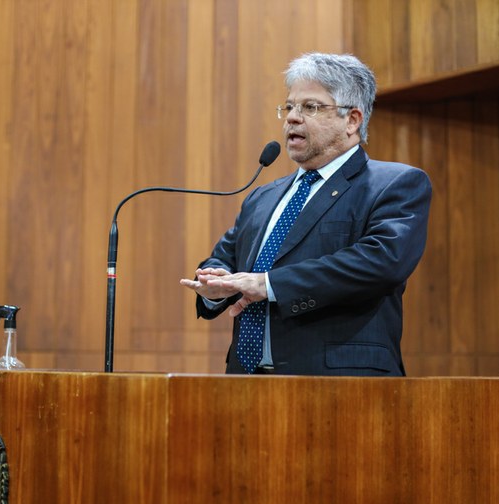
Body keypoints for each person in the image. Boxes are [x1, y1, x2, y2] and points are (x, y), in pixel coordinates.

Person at [179, 53, 432, 375]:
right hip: (245, 381)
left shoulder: (394, 183)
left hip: (340, 381)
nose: (292, 119)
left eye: (310, 107)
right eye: (289, 107)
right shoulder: (264, 196)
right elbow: (224, 258)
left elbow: (381, 262)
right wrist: (214, 284)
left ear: (352, 120)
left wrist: (269, 284)